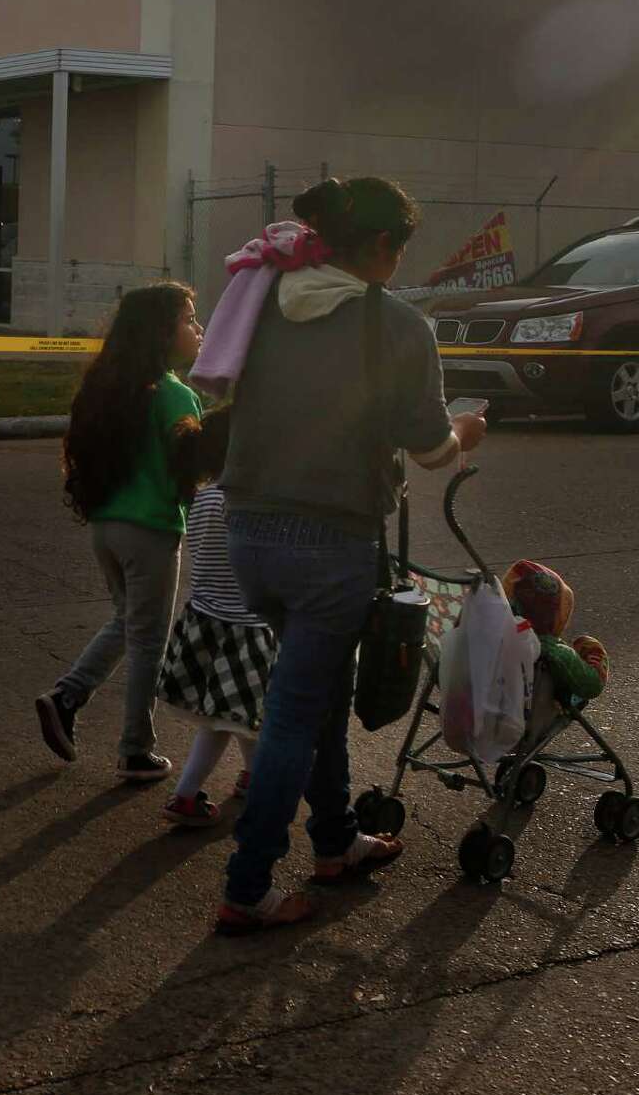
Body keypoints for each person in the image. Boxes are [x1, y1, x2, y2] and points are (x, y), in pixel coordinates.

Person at [213, 176, 488, 932]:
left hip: (248, 530)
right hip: (328, 543)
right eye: (399, 248)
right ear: (378, 246)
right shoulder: (395, 324)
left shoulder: (261, 303)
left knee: (321, 692)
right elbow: (431, 450)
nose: (400, 261)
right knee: (294, 717)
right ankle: (248, 887)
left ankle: (335, 844)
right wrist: (467, 433)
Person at [36, 282, 204, 782]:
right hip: (152, 531)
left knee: (128, 620)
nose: (198, 328)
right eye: (189, 320)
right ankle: (135, 748)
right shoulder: (176, 396)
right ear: (161, 333)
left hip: (107, 527)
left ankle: (66, 699)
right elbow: (188, 471)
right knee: (149, 638)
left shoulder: (111, 389)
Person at [153, 406, 279, 827]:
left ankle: (251, 775)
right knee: (224, 721)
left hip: (206, 621)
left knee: (235, 714)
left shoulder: (204, 497)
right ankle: (184, 796)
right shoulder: (249, 504)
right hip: (245, 629)